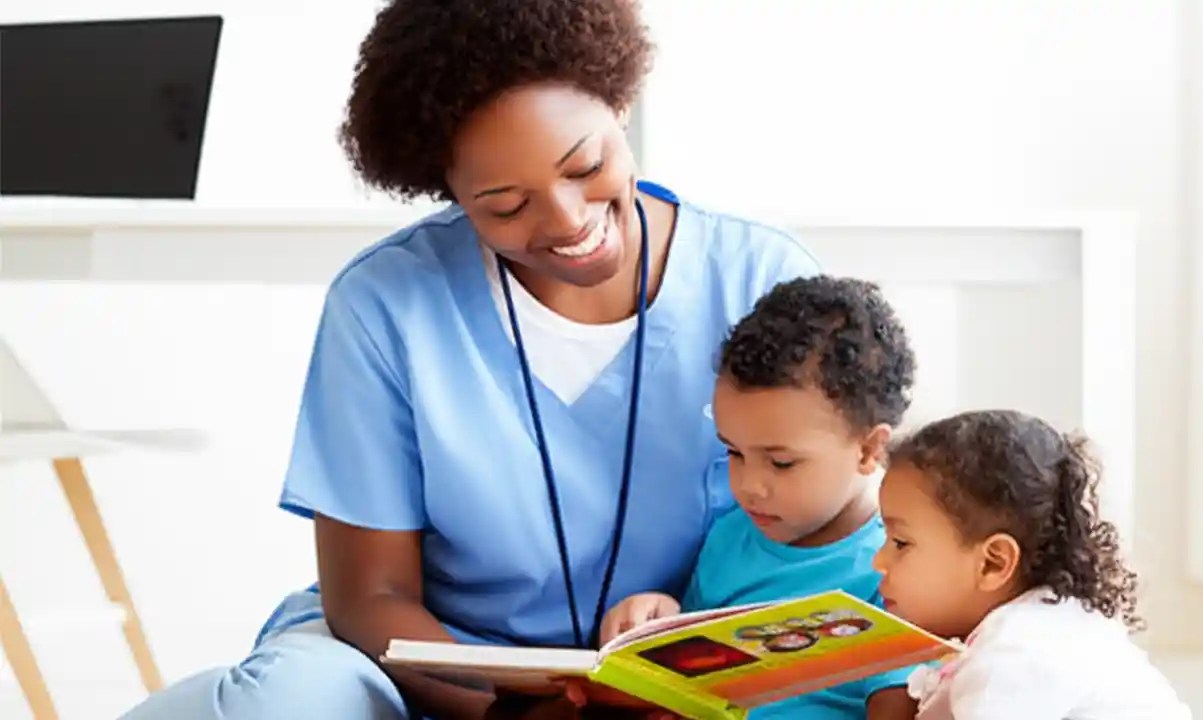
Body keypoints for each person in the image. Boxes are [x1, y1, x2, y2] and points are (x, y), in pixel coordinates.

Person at [121, 1, 820, 718]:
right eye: (506, 205)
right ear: (446, 189)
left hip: (679, 683)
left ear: (620, 101)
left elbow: (840, 525)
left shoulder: (758, 277)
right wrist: (505, 711)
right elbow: (370, 599)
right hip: (423, 675)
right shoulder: (385, 305)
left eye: (586, 165)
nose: (568, 220)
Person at [601, 276, 922, 719]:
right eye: (733, 452)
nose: (750, 485)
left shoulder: (907, 560)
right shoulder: (730, 538)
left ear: (869, 450)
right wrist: (662, 624)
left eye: (782, 463)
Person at [874, 410, 1192, 719]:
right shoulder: (1033, 628)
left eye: (901, 543)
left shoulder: (1019, 652)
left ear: (992, 563)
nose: (879, 561)